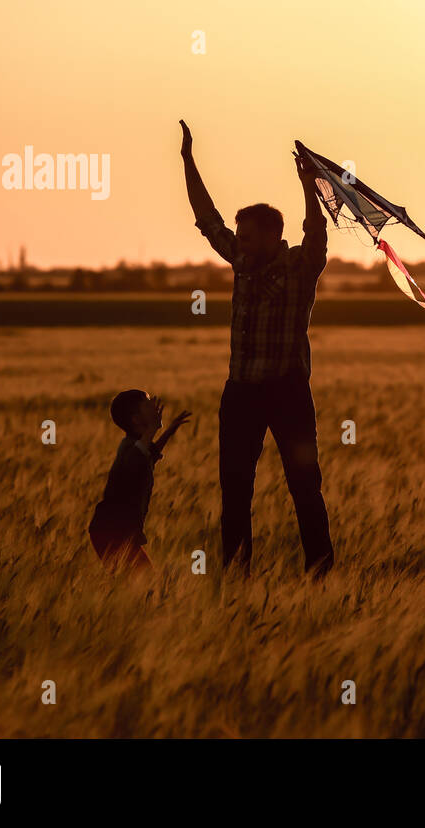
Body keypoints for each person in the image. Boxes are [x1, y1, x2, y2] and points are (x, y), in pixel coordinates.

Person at [178, 119, 335, 579]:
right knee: (234, 491)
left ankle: (321, 574)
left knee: (305, 488)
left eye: (246, 237)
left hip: (287, 394)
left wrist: (309, 185)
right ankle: (235, 576)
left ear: (271, 236)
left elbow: (315, 233)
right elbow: (207, 219)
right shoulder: (242, 262)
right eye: (238, 237)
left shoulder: (299, 267)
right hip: (240, 393)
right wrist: (188, 159)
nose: (238, 244)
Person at [89, 389, 191, 570]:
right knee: (144, 583)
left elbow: (147, 457)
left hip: (116, 531)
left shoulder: (135, 445)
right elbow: (136, 460)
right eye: (148, 404)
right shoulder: (129, 448)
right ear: (136, 420)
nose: (154, 407)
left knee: (137, 584)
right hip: (112, 531)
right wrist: (153, 429)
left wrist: (167, 432)